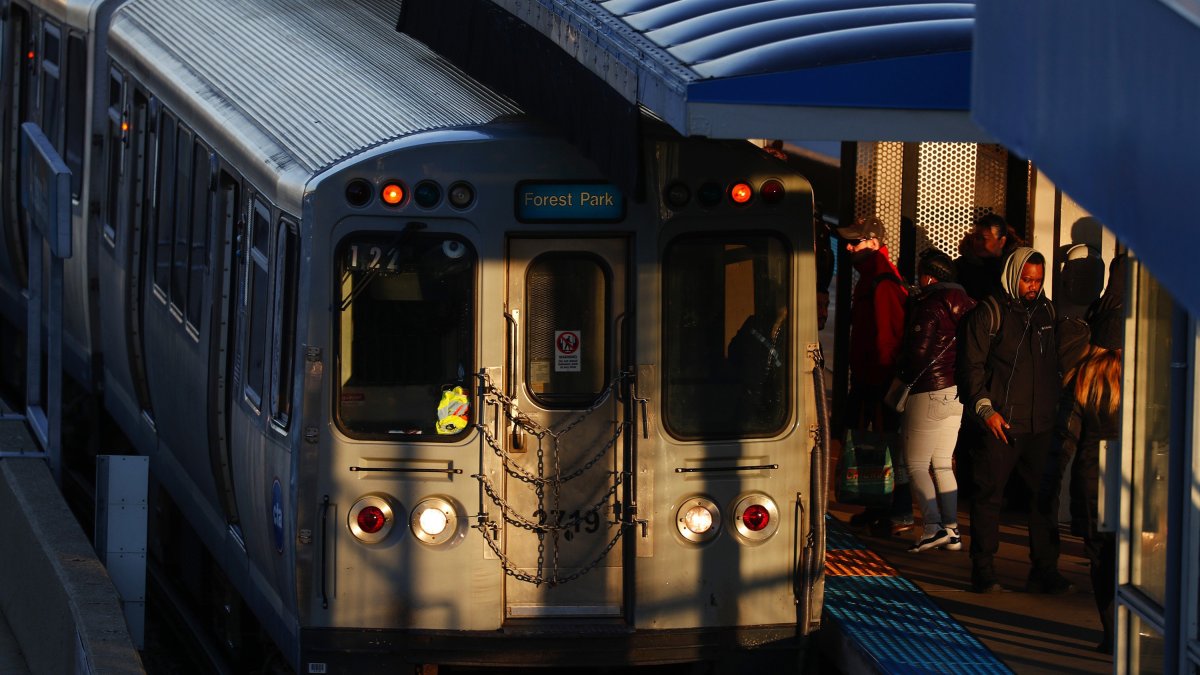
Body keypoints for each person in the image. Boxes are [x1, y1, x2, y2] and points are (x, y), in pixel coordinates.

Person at [960, 246, 1072, 594]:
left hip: (1040, 426)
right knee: (989, 497)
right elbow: (970, 368)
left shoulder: (1047, 311)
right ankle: (984, 570)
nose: (1032, 286)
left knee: (1044, 499)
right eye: (1027, 279)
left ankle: (1044, 570)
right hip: (1001, 424)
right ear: (1013, 274)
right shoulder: (989, 313)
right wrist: (986, 410)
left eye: (1037, 280)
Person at [1047, 253, 1125, 652]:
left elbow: (1065, 437)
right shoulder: (1140, 380)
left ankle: (1110, 633)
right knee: (1130, 559)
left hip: (1091, 478)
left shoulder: (1082, 377)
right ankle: (1130, 628)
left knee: (1099, 558)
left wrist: (1052, 484)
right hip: (1132, 478)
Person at [896, 250, 976, 552]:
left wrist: (901, 367)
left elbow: (918, 353)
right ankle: (952, 530)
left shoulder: (931, 305)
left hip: (928, 389)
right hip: (955, 393)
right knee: (943, 464)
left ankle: (931, 527)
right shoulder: (969, 304)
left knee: (915, 463)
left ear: (929, 276)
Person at [836, 215, 912, 535]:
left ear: (876, 243)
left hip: (878, 380)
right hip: (870, 377)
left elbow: (888, 338)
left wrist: (879, 382)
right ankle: (877, 504)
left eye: (856, 241)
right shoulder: (872, 278)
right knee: (875, 445)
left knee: (889, 446)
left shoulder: (882, 282)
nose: (850, 247)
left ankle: (899, 511)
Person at [955, 213, 1022, 302]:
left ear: (1002, 241)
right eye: (977, 238)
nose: (978, 243)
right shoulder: (960, 267)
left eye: (984, 239)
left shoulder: (1014, 268)